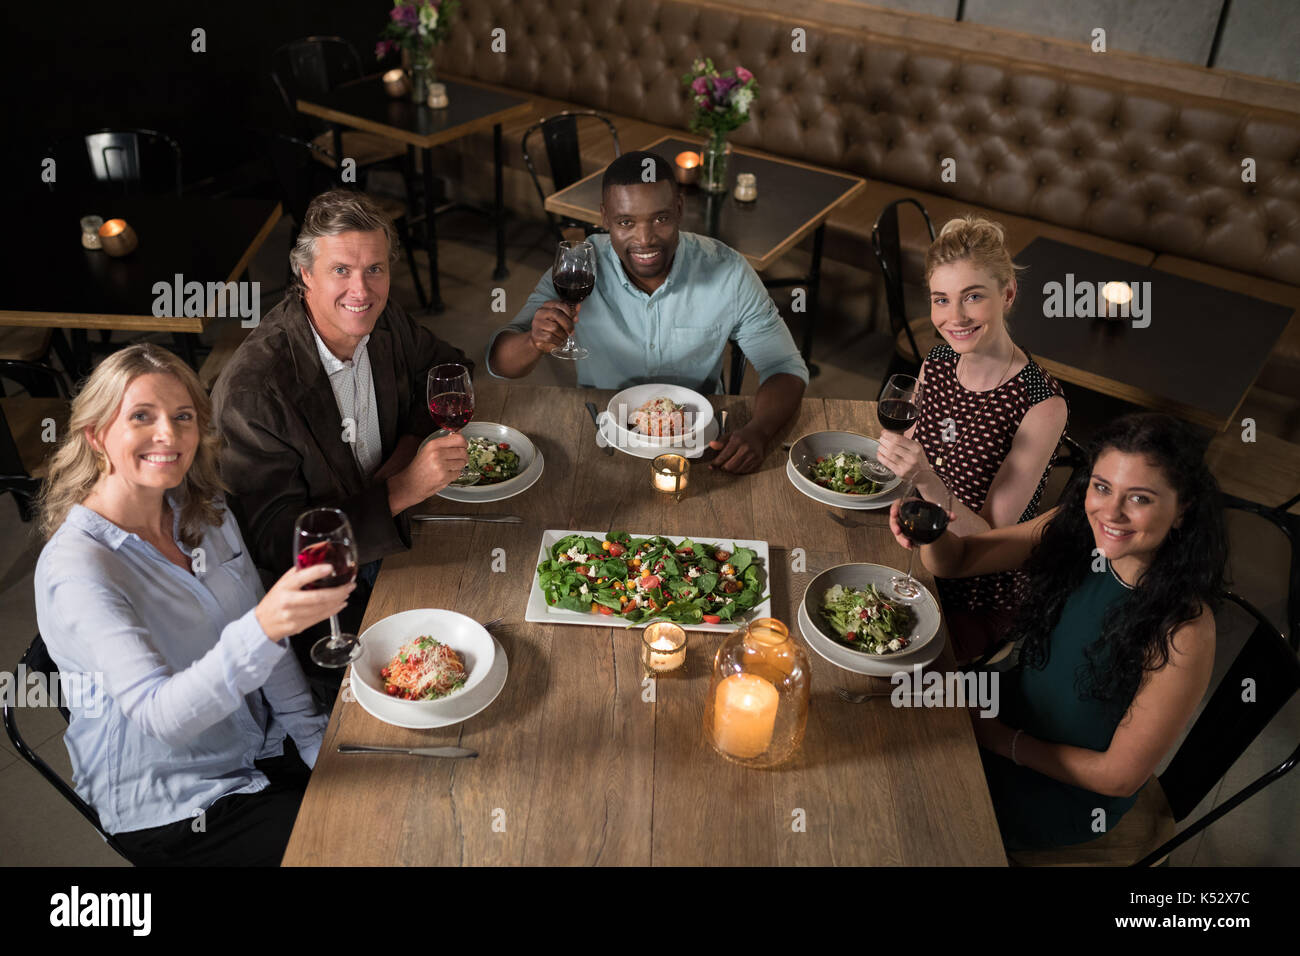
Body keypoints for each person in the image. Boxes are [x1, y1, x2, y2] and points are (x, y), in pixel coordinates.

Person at [34, 344, 347, 866]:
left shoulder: (205, 510)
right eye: (141, 416)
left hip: (258, 744)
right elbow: (163, 718)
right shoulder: (78, 569)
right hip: (174, 804)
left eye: (183, 417)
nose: (169, 435)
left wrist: (311, 736)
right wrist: (264, 626)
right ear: (96, 435)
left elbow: (266, 651)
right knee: (353, 846)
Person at [890, 413, 1224, 853]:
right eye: (1102, 487)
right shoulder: (1075, 529)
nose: (1111, 512)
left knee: (908, 808)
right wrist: (932, 531)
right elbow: (958, 560)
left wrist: (998, 739)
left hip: (1061, 783)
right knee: (879, 717)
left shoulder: (1186, 630)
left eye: (1139, 498)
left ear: (1182, 510)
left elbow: (1120, 776)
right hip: (1005, 706)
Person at [212, 189, 471, 683]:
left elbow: (451, 370)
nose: (362, 290)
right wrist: (400, 489)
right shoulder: (255, 390)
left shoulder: (384, 319)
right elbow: (274, 541)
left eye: (375, 269)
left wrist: (406, 454)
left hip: (407, 531)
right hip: (330, 608)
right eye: (341, 271)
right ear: (304, 274)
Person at [486, 150, 809, 473]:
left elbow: (784, 367)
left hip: (699, 441)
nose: (645, 239)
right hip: (601, 435)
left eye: (661, 218)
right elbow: (501, 364)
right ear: (604, 218)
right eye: (626, 222)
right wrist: (533, 342)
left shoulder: (728, 271)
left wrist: (759, 431)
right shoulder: (577, 269)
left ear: (679, 209)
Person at [875, 215, 1068, 662]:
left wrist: (924, 478)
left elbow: (989, 540)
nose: (954, 317)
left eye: (973, 297)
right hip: (911, 543)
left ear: (1007, 294)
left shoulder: (1042, 403)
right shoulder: (939, 361)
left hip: (974, 591)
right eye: (941, 300)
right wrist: (902, 468)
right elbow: (912, 456)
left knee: (889, 670)